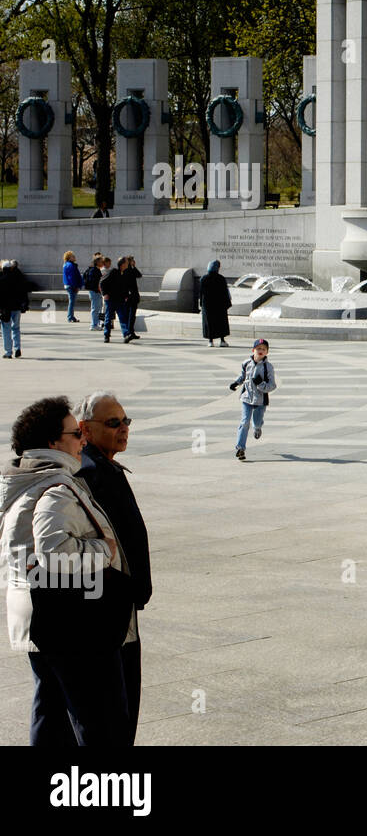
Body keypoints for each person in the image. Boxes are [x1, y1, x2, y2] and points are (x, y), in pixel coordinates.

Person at [0, 396, 132, 745]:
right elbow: (55, 553)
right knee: (97, 719)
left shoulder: (23, 481)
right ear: (53, 442)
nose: (83, 440)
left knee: (51, 712)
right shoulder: (55, 487)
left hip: (37, 614)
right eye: (76, 433)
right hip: (70, 621)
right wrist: (103, 551)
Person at [74, 392, 150, 743]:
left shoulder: (104, 467)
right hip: (107, 612)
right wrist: (122, 592)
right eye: (113, 423)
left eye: (126, 421)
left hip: (119, 605)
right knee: (114, 713)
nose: (124, 429)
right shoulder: (91, 474)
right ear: (84, 430)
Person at [230, 338, 276, 461]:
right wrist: (236, 383)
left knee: (257, 421)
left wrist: (261, 384)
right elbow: (243, 376)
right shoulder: (246, 363)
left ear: (267, 352)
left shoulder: (268, 367)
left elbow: (272, 385)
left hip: (261, 400)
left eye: (263, 349)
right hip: (246, 397)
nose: (261, 351)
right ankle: (240, 448)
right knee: (244, 422)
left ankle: (258, 428)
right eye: (258, 348)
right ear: (253, 350)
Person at [0, 259, 32, 359]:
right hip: (17, 307)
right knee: (16, 328)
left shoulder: (1, 279)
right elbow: (24, 293)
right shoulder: (18, 279)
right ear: (11, 268)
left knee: (6, 330)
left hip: (5, 309)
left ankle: (8, 352)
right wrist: (24, 305)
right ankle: (17, 348)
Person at [100, 257, 133, 344]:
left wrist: (126, 295)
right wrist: (105, 294)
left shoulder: (124, 273)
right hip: (110, 299)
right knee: (108, 318)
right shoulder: (113, 272)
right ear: (122, 264)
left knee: (122, 318)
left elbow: (124, 286)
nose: (128, 264)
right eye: (126, 263)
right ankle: (106, 335)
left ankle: (126, 335)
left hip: (120, 300)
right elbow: (102, 282)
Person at [199, 260, 232, 347]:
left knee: (209, 322)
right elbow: (225, 292)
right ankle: (222, 341)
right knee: (221, 323)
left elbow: (200, 293)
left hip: (207, 305)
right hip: (219, 305)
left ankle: (210, 341)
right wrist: (227, 303)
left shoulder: (203, 278)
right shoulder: (221, 278)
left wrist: (201, 305)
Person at [122, 256, 142, 342]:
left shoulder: (131, 269)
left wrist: (134, 267)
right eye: (132, 261)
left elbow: (139, 275)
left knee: (132, 315)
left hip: (133, 295)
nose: (134, 262)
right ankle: (129, 332)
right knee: (129, 315)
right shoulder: (126, 270)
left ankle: (131, 332)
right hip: (129, 296)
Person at [83, 256, 104, 332]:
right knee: (95, 308)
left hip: (94, 291)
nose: (103, 263)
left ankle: (95, 324)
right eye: (101, 261)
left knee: (96, 308)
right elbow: (95, 282)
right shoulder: (94, 270)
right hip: (94, 291)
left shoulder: (94, 270)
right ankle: (94, 325)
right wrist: (98, 289)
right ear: (97, 262)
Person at [61, 252, 82, 323]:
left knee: (72, 302)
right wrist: (75, 286)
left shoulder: (67, 265)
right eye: (73, 256)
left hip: (69, 285)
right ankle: (70, 317)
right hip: (71, 285)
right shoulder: (70, 265)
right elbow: (72, 277)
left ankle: (71, 316)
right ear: (69, 257)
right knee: (72, 302)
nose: (74, 257)